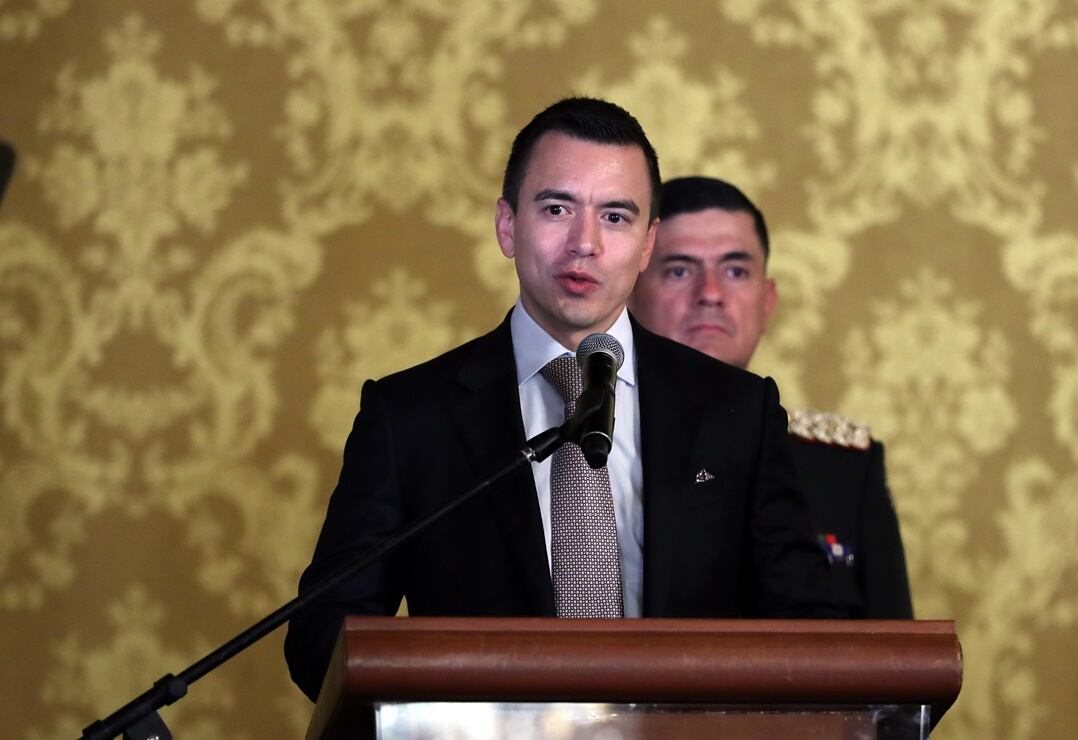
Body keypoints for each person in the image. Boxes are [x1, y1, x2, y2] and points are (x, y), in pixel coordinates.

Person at [285, 99, 843, 701]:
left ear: (648, 244)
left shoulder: (737, 411)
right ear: (508, 226)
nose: (585, 244)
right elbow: (323, 639)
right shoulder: (411, 417)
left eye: (616, 217)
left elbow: (810, 627)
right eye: (557, 209)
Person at [629, 176, 913, 620]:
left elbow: (890, 652)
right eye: (679, 270)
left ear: (767, 302)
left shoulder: (843, 466)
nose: (710, 294)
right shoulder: (595, 447)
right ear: (629, 296)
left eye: (735, 272)